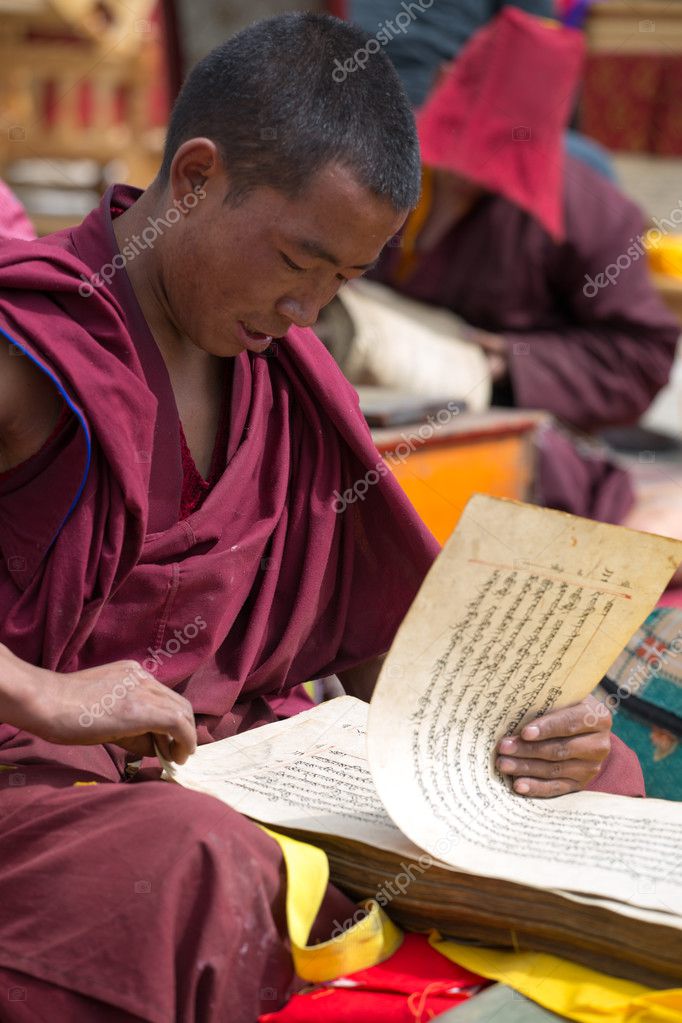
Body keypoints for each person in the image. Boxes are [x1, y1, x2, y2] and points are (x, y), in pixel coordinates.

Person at [0, 13, 643, 1021]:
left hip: (237, 758)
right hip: (40, 785)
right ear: (198, 178)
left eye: (342, 282)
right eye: (297, 262)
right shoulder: (30, 346)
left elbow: (372, 638)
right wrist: (41, 692)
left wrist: (526, 723)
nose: (306, 314)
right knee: (189, 862)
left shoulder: (285, 376)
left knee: (594, 775)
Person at [370, 8, 680, 436]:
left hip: (511, 422)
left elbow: (641, 356)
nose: (466, 175)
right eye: (459, 139)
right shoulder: (378, 164)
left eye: (495, 158)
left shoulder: (591, 213)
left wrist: (512, 362)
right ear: (443, 83)